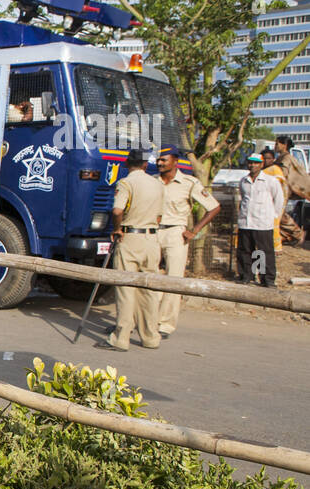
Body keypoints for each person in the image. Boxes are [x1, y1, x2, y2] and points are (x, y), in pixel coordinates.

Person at [96, 148, 164, 351]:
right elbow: (160, 216)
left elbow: (117, 210)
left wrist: (117, 229)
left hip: (131, 237)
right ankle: (151, 337)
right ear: (145, 164)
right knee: (149, 289)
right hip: (152, 239)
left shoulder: (126, 183)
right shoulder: (157, 184)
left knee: (126, 289)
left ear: (127, 164)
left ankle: (121, 337)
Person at [155, 150, 220, 337]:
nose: (160, 163)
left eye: (164, 160)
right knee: (150, 276)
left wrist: (195, 231)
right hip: (153, 231)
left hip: (176, 232)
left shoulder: (189, 183)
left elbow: (214, 207)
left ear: (175, 161)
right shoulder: (153, 181)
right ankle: (148, 318)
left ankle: (165, 324)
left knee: (174, 278)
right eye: (158, 159)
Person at [236, 150, 284, 287]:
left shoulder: (270, 181)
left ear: (261, 164)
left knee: (263, 252)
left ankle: (266, 279)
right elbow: (243, 199)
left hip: (262, 223)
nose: (252, 166)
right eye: (250, 163)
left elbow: (278, 200)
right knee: (245, 251)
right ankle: (246, 275)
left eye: (256, 163)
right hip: (246, 222)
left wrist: (272, 216)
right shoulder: (243, 181)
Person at [261, 142, 305, 248]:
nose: (276, 146)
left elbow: (283, 176)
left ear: (284, 145)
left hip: (280, 191)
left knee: (279, 216)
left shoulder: (286, 159)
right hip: (271, 193)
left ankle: (297, 234)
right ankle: (290, 236)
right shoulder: (279, 159)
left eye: (278, 144)